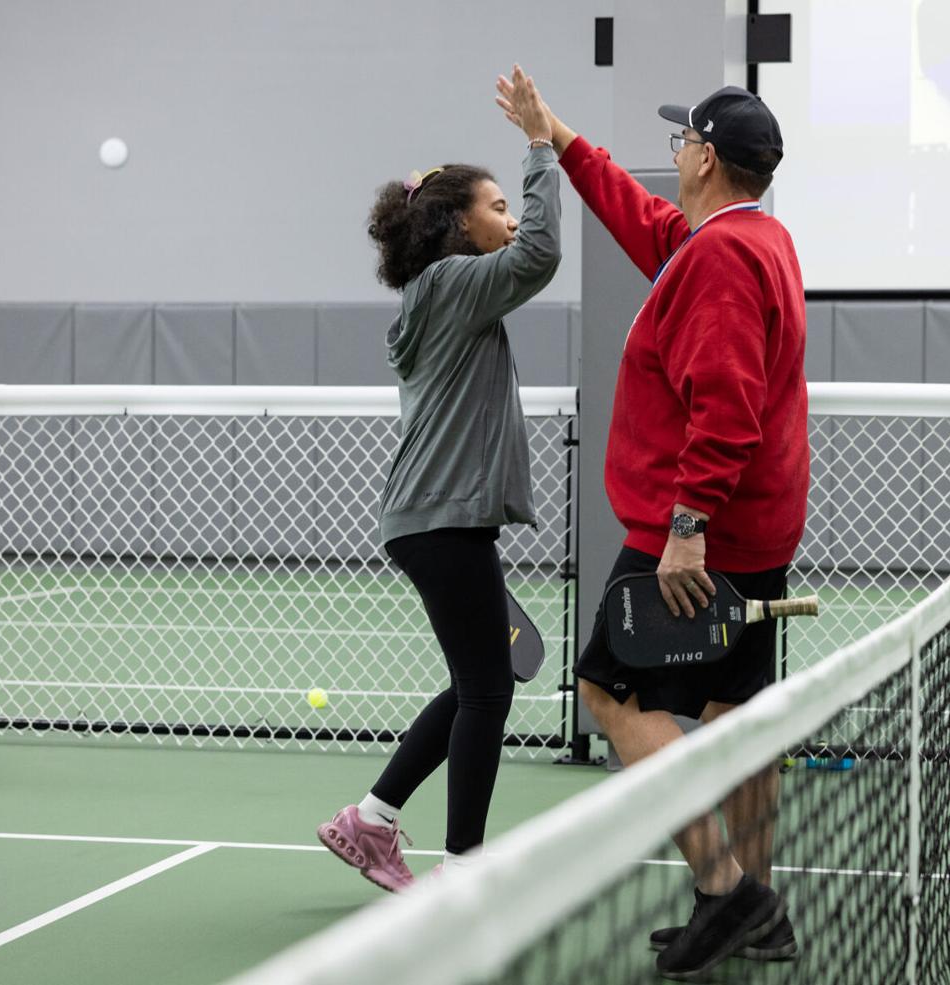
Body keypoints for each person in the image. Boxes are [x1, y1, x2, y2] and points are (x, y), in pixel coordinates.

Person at [495, 78, 809, 980]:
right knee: (734, 717)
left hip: (699, 536)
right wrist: (551, 134)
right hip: (757, 532)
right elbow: (637, 215)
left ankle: (727, 888)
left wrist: (685, 527)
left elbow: (727, 408)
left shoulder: (718, 260)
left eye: (682, 142)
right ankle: (765, 911)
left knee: (609, 694)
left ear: (708, 157)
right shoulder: (746, 239)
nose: (672, 155)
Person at [316, 65, 561, 892]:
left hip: (437, 522)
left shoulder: (438, 293)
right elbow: (542, 252)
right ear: (460, 225)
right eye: (496, 204)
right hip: (440, 523)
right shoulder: (455, 284)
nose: (509, 215)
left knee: (473, 684)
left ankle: (371, 820)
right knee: (489, 691)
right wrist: (539, 144)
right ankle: (462, 873)